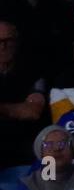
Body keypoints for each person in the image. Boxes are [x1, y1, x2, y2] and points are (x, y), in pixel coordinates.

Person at [0, 17, 48, 168]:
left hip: (24, 150)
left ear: (17, 42)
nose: (3, 46)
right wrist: (16, 109)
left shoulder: (32, 70)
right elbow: (23, 109)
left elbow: (33, 110)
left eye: (8, 40)